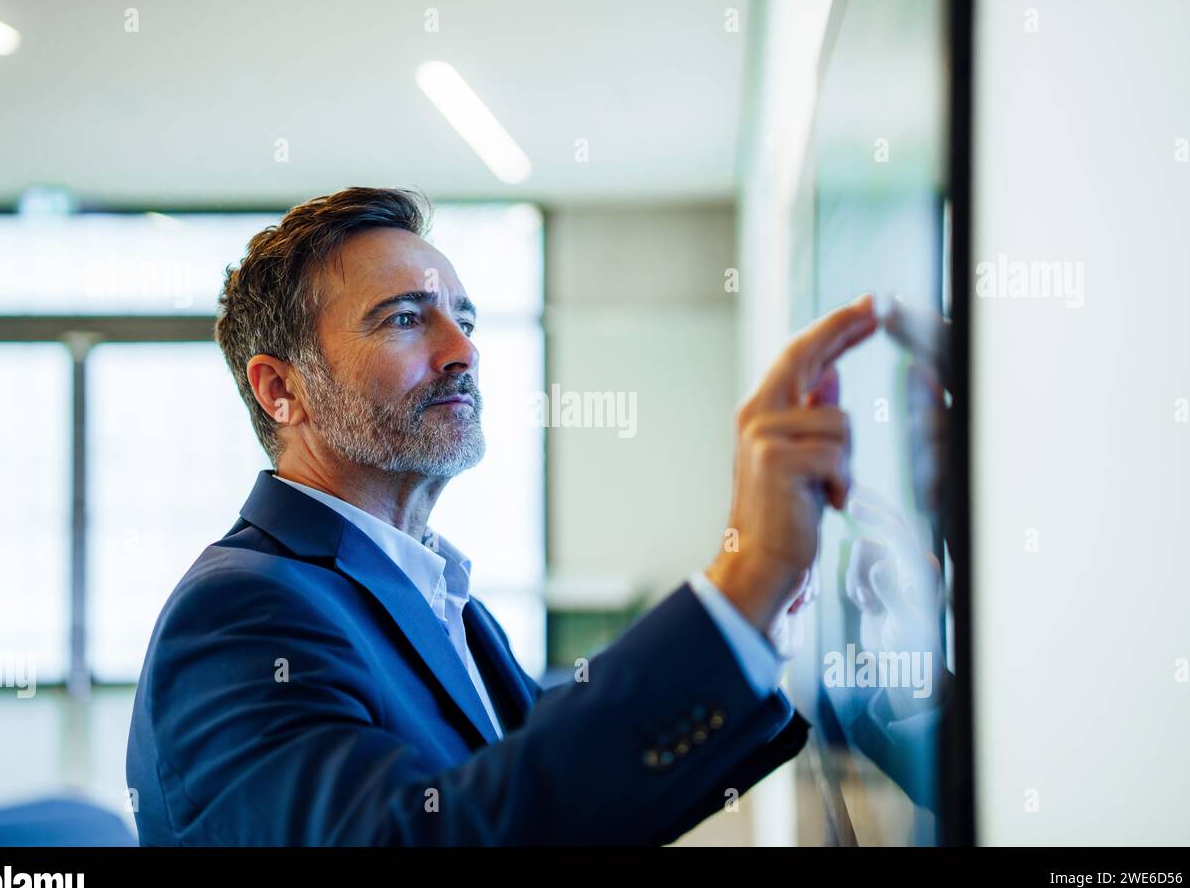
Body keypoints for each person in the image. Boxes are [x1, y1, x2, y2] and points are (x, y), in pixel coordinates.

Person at [125, 187, 878, 845]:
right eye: (403, 320)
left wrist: (764, 619)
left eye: (466, 319)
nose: (462, 352)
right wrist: (738, 590)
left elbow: (534, 792)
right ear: (279, 390)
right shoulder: (240, 613)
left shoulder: (434, 587)